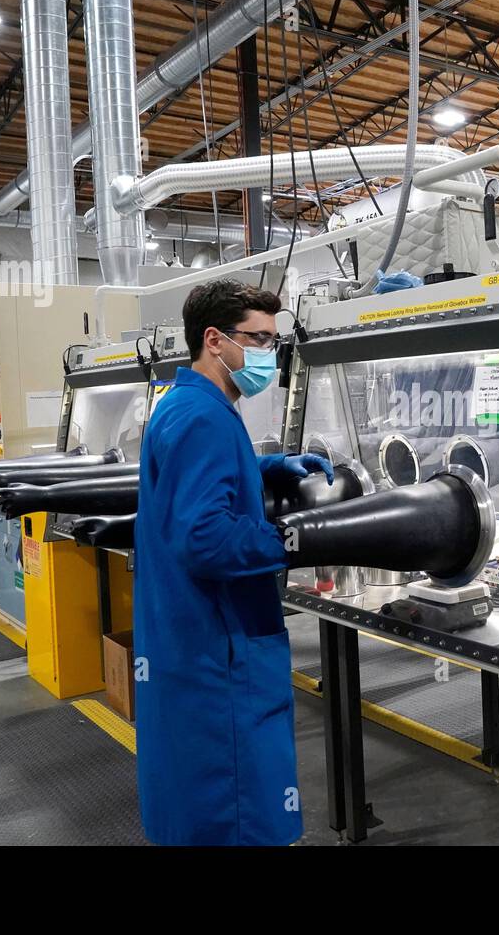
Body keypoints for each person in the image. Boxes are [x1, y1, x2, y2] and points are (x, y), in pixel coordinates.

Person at [133, 278, 332, 845]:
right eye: (261, 339)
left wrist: (265, 469)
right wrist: (298, 539)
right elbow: (207, 539)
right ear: (215, 340)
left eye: (275, 342)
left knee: (193, 802)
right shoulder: (205, 418)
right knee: (240, 810)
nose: (269, 354)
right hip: (220, 654)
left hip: (186, 641)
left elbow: (195, 488)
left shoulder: (187, 405)